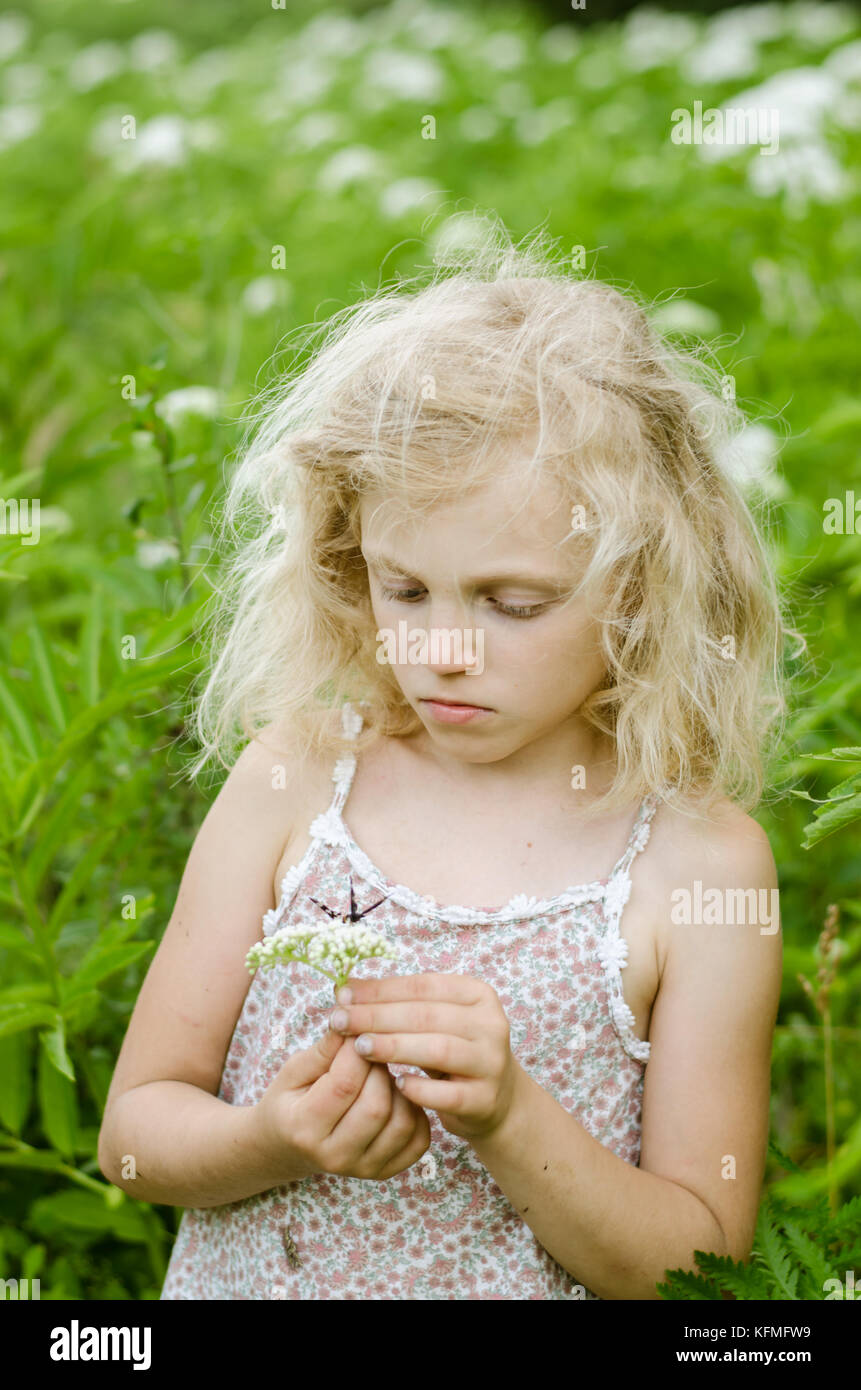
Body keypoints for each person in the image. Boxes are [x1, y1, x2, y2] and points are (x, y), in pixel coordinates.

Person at [98, 228, 788, 1300]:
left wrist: (513, 1116)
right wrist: (276, 1137)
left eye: (513, 604)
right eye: (403, 590)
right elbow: (136, 1131)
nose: (439, 650)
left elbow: (699, 1266)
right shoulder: (298, 780)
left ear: (643, 589)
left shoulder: (699, 867)